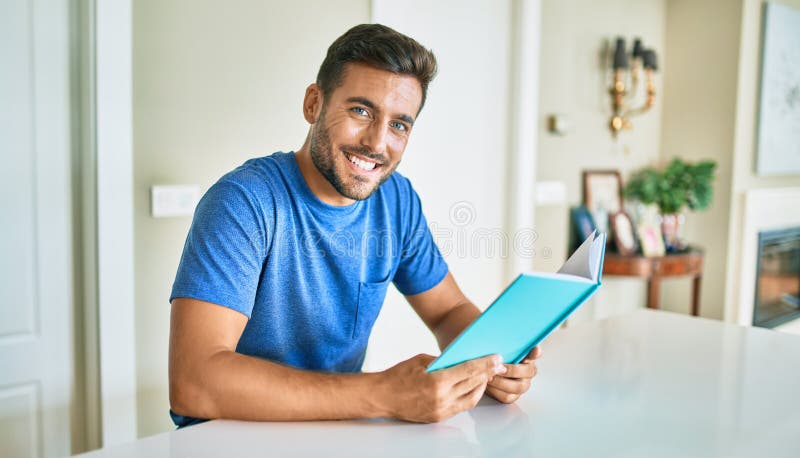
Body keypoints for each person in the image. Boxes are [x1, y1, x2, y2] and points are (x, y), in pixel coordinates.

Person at [168, 23, 541, 427]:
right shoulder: (243, 202)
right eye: (361, 111)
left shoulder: (395, 199)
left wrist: (494, 361)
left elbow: (448, 311)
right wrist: (385, 394)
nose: (377, 143)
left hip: (339, 433)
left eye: (399, 125)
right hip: (229, 438)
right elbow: (194, 380)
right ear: (314, 104)